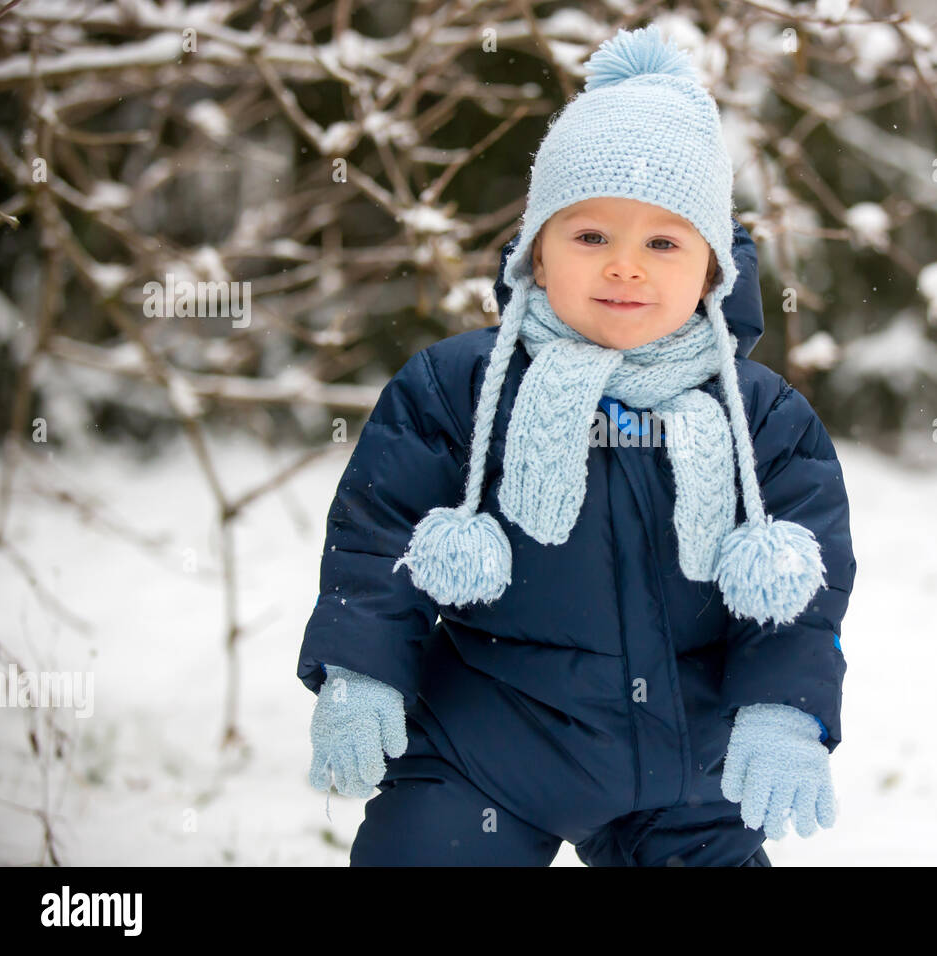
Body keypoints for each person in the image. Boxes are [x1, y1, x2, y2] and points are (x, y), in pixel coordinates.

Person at [298, 23, 856, 866]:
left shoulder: (763, 420)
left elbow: (800, 592)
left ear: (711, 269)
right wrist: (361, 670)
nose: (624, 268)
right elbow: (378, 543)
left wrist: (785, 709)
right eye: (590, 236)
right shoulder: (459, 389)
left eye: (663, 243)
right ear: (536, 254)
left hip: (687, 763)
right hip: (487, 740)